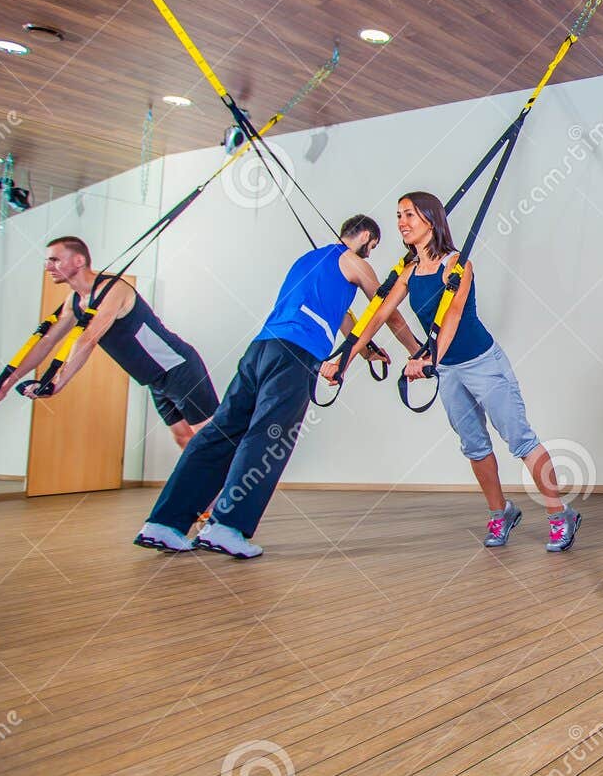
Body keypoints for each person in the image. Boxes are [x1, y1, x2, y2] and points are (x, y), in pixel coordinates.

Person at [134, 215, 408, 558]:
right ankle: (227, 527)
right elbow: (384, 310)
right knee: (269, 437)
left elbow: (345, 320)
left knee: (222, 432)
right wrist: (416, 350)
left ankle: (164, 524)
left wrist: (364, 353)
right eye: (373, 247)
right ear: (366, 236)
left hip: (261, 350)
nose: (371, 254)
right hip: (295, 356)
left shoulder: (310, 263)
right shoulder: (354, 261)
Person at [324, 191, 580, 551]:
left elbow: (452, 318)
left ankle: (559, 513)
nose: (402, 223)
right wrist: (345, 360)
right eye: (399, 216)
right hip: (449, 372)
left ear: (431, 219)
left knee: (519, 439)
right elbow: (379, 314)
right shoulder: (408, 271)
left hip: (482, 363)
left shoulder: (457, 265)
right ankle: (500, 513)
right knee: (474, 446)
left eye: (409, 215)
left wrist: (428, 359)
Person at [0, 236, 218, 447]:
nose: (48, 266)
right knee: (183, 438)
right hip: (154, 378)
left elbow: (88, 339)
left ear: (79, 261)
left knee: (209, 439)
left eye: (55, 260)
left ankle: (235, 495)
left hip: (177, 368)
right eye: (48, 260)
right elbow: (46, 342)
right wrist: (4, 385)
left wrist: (57, 383)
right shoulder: (75, 301)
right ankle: (210, 497)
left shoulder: (114, 289)